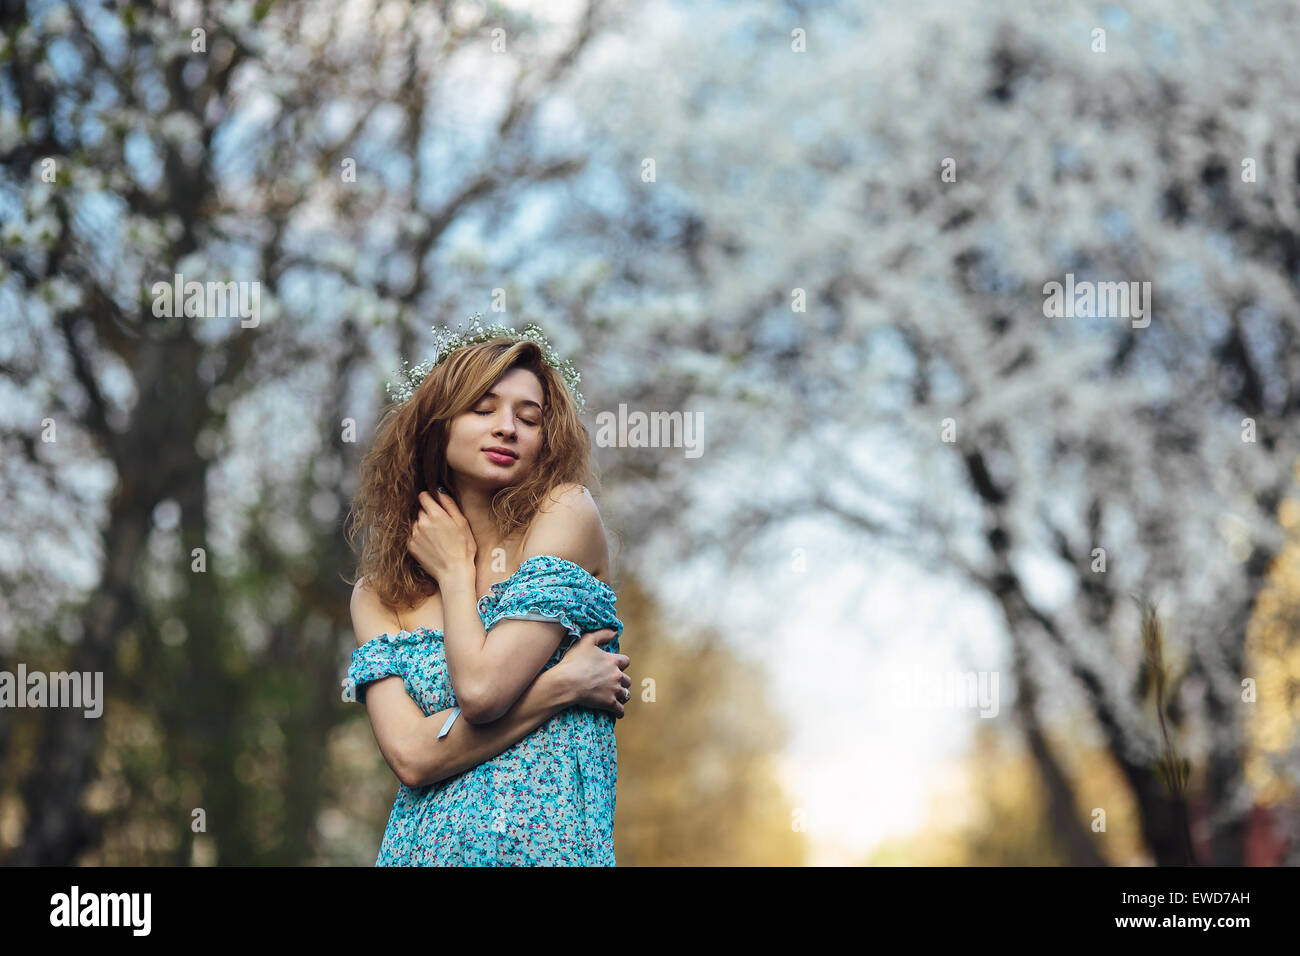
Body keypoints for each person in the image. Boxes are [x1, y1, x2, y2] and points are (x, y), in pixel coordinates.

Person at [344, 316, 630, 865]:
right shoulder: (379, 596)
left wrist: (455, 573)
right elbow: (409, 757)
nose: (508, 428)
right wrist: (560, 687)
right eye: (484, 409)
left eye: (529, 418)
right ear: (437, 424)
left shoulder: (565, 514)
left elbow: (482, 690)